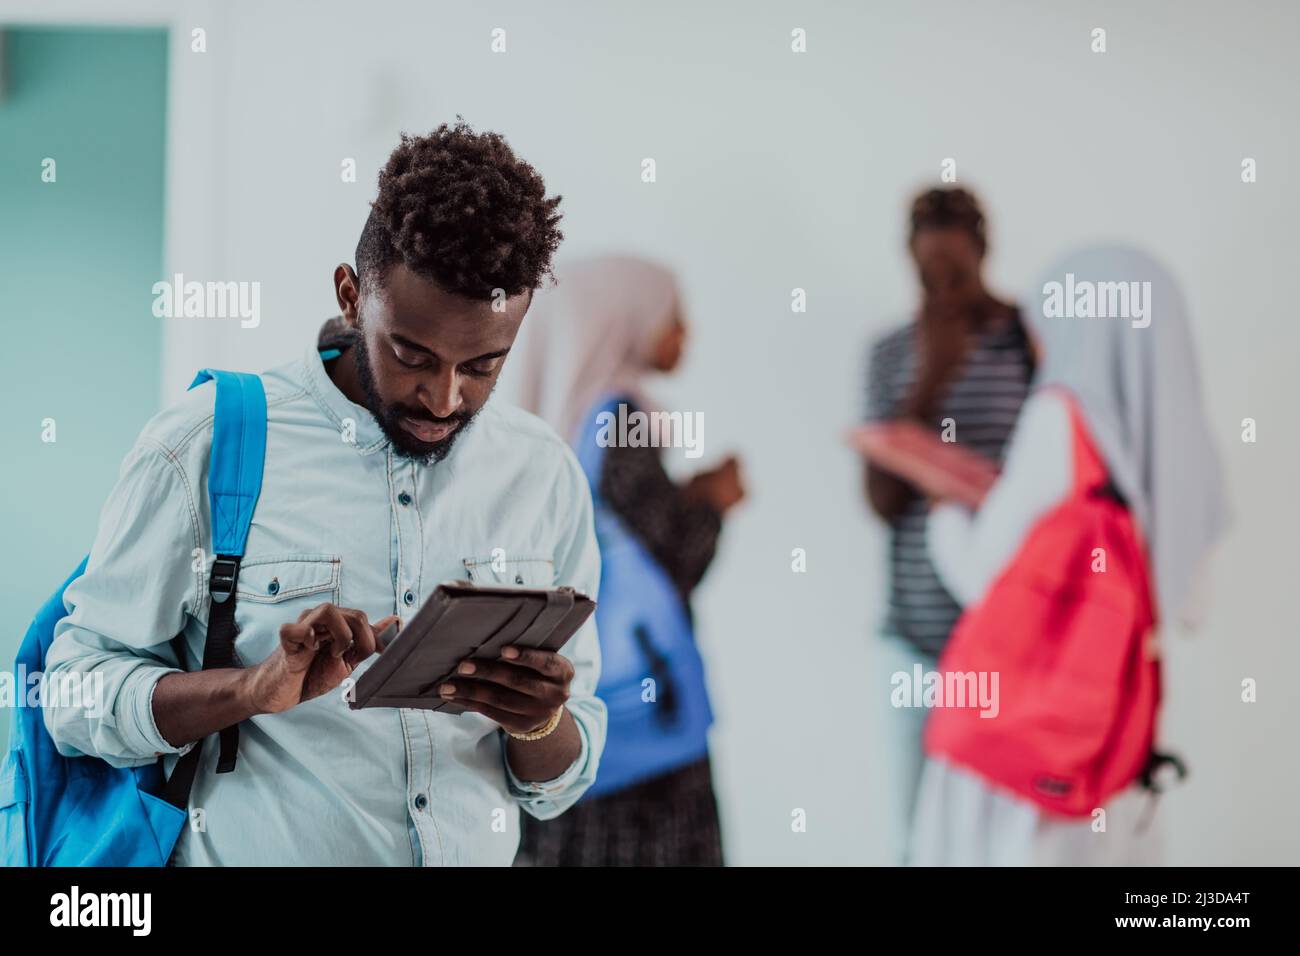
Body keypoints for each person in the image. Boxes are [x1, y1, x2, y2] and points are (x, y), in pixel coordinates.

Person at [40, 122, 607, 866]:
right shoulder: (206, 444)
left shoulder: (542, 474)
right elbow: (73, 696)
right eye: (412, 354)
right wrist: (250, 690)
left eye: (483, 366)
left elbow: (558, 783)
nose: (443, 398)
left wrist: (539, 722)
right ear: (351, 294)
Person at [909, 245, 1230, 865]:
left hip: (1023, 761)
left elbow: (983, 579)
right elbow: (1190, 606)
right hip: (1119, 748)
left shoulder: (1060, 417)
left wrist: (944, 508)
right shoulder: (1185, 440)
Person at [514, 255, 744, 865]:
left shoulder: (549, 419)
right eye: (674, 316)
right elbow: (674, 558)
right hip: (644, 725)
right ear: (623, 320)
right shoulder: (619, 418)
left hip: (571, 706)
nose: (684, 333)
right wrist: (715, 504)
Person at [862, 187, 1035, 862]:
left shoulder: (1029, 343)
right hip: (915, 642)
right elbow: (881, 504)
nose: (941, 287)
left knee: (1007, 843)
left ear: (984, 254)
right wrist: (931, 376)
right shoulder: (890, 353)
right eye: (927, 271)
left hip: (1012, 643)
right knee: (919, 843)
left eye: (955, 272)